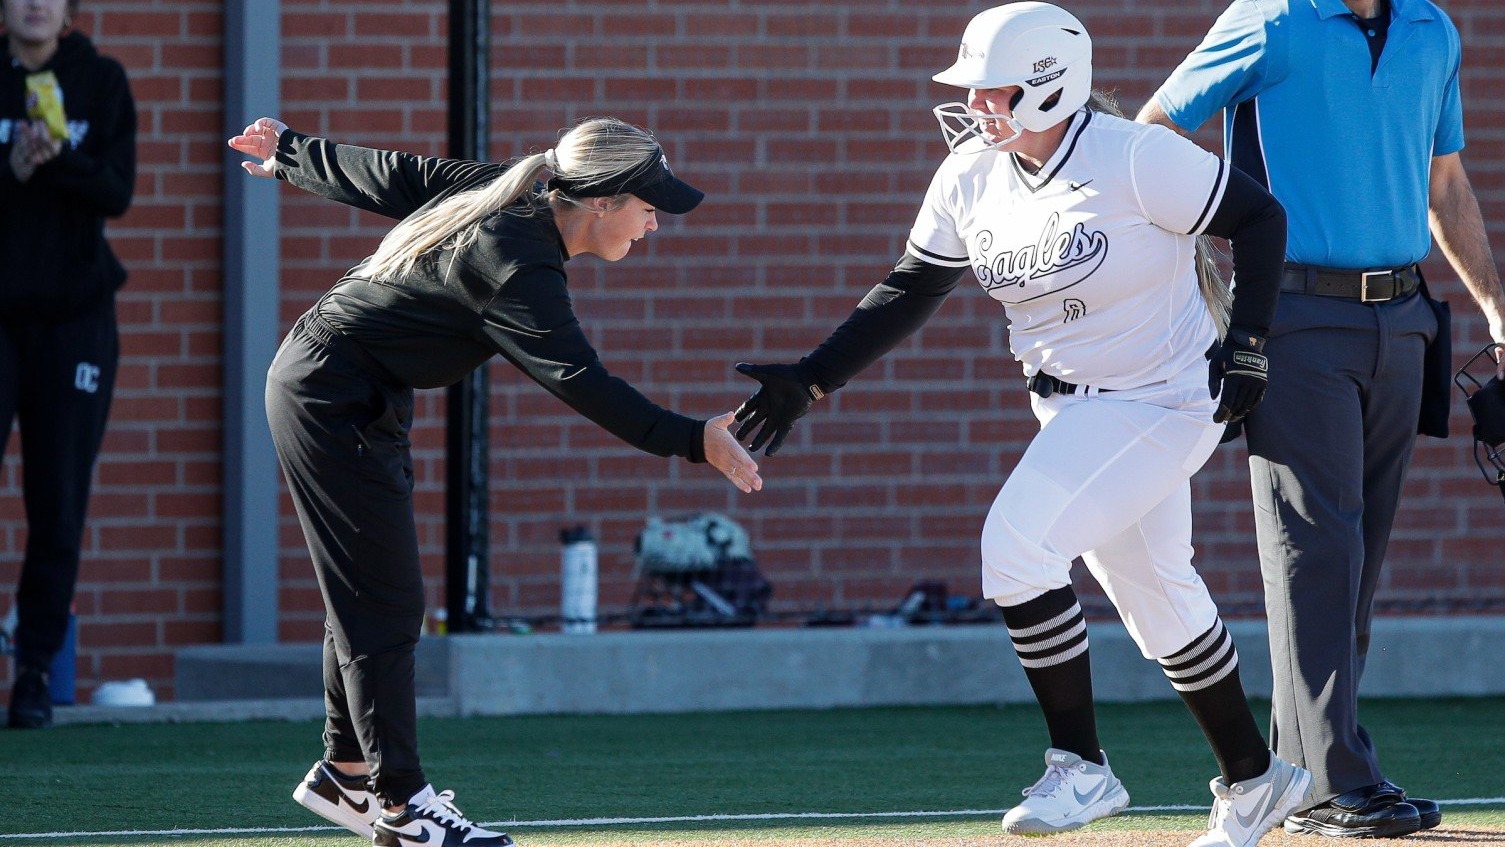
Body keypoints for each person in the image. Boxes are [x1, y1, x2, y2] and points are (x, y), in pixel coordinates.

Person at [733, 3, 1310, 845]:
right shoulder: (970, 172)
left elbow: (1258, 219)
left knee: (1015, 546)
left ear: (1048, 83)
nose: (974, 106)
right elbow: (909, 288)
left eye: (990, 89)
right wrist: (812, 379)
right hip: (1065, 403)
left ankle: (1081, 768)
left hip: (1161, 395)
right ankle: (1257, 780)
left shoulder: (1133, 154)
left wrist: (1250, 344)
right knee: (1159, 597)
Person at [229, 115, 762, 847]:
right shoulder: (518, 260)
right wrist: (692, 439)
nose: (653, 225)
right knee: (381, 600)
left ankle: (347, 773)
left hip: (348, 390)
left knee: (371, 592)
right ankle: (403, 803)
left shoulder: (510, 200)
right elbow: (582, 381)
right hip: (330, 393)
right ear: (602, 200)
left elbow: (392, 174)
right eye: (647, 206)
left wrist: (290, 154)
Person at [1138, 0, 1505, 838]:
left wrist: (1495, 308)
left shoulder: (1431, 31)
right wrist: (1208, 256)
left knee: (1356, 554)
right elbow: (1154, 130)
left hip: (1402, 315)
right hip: (1292, 317)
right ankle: (1334, 782)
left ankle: (1297, 775)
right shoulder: (1268, 19)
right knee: (1316, 546)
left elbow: (1443, 182)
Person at [1, 0, 135, 730]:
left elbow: (118, 191)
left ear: (68, 10)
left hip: (75, 322)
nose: (34, 4)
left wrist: (59, 159)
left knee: (57, 500)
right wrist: (11, 166)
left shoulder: (101, 81)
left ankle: (31, 672)